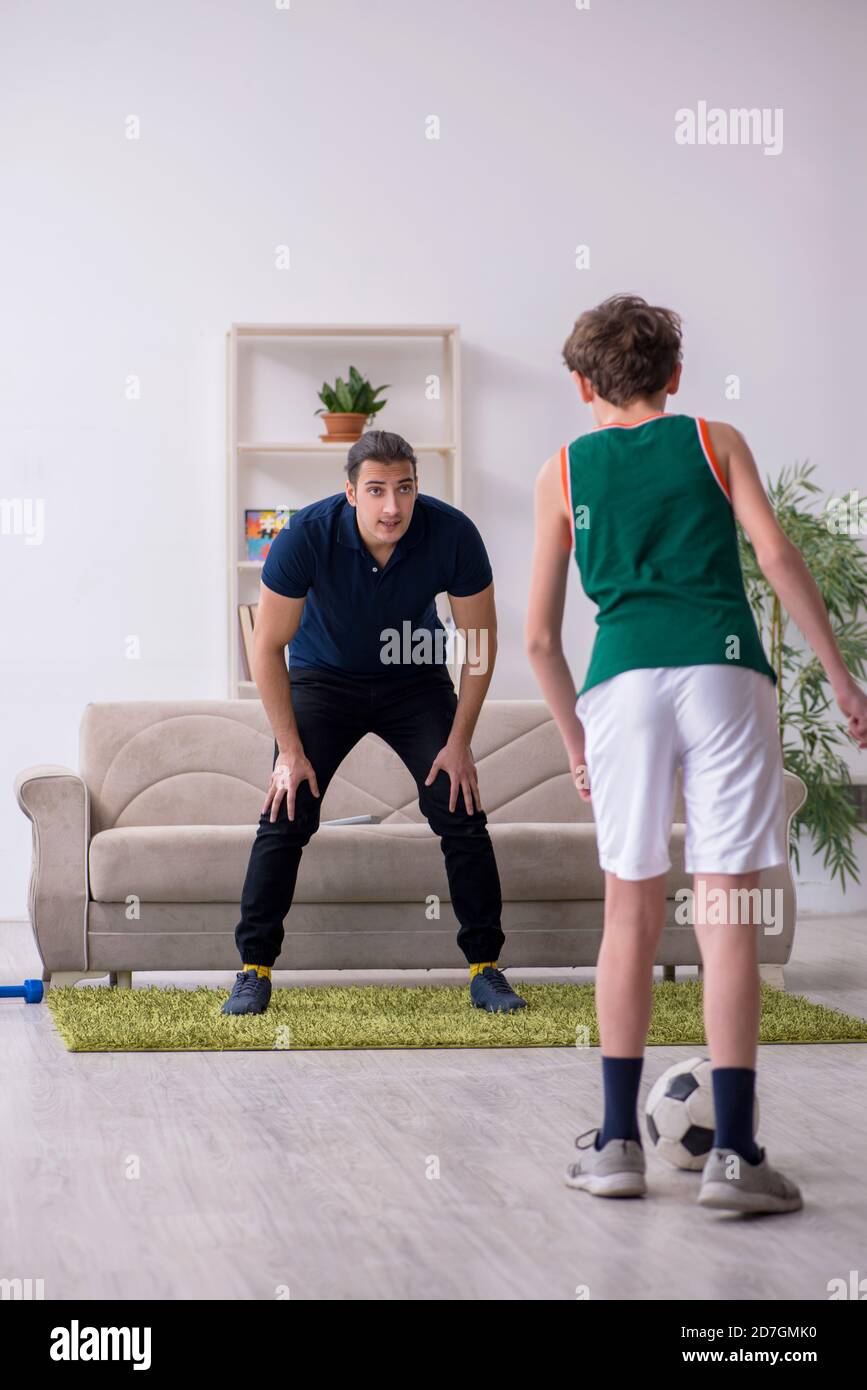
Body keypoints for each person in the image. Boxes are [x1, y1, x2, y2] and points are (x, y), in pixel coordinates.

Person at [525, 293, 867, 1213]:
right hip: (725, 675)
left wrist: (576, 742)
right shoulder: (715, 442)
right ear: (674, 377)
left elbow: (536, 641)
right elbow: (777, 555)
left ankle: (611, 1149)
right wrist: (839, 678)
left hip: (620, 687)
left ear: (580, 385)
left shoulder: (561, 470)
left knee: (628, 914)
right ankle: (737, 1158)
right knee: (728, 913)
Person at [223, 430, 527, 1016]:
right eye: (377, 490)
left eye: (405, 489)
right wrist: (289, 752)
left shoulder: (453, 533)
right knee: (285, 811)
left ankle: (486, 968)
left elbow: (481, 645)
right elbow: (266, 648)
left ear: (418, 489)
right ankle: (253, 968)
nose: (393, 506)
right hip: (323, 681)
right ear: (350, 493)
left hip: (413, 679)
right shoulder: (303, 537)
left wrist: (459, 743)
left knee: (459, 809)